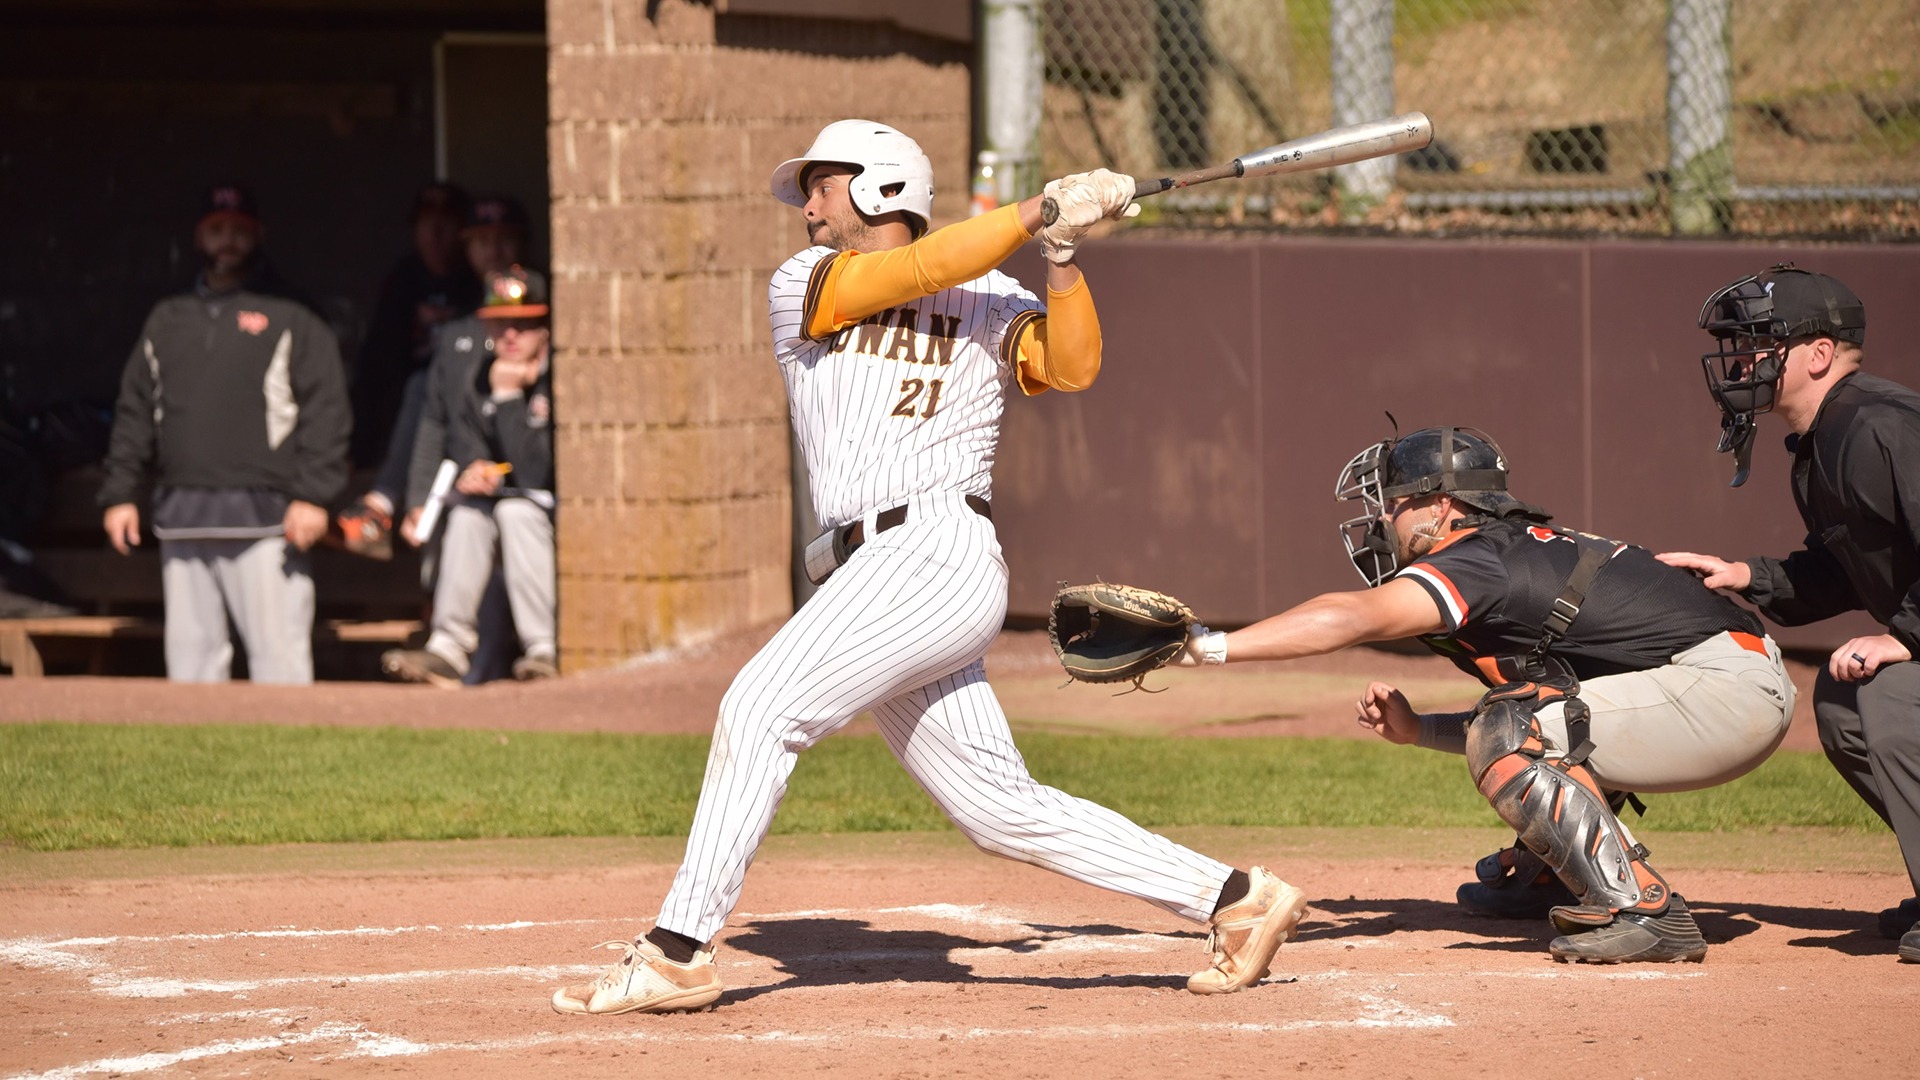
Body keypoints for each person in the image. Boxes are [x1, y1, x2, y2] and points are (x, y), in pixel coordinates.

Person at [548, 120, 1307, 1016]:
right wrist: (1036, 212)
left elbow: (1073, 366)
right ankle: (1236, 900)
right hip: (877, 570)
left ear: (877, 190)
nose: (809, 207)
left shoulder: (991, 294)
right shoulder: (808, 284)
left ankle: (677, 951)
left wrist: (1060, 257)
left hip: (932, 548)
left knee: (759, 708)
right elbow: (913, 275)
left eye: (823, 186)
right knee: (999, 808)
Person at [1172, 425, 1794, 964]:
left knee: (1511, 728)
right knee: (1520, 718)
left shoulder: (1476, 559)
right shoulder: (1502, 551)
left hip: (1722, 690)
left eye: (1397, 503)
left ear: (1442, 507)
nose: (1384, 519)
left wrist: (1207, 646)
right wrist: (1419, 731)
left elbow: (1351, 617)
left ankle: (1644, 910)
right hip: (1721, 683)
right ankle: (1553, 875)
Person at [1657, 265, 1920, 963]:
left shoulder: (1875, 427)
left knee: (1890, 689)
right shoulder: (1828, 437)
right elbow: (1840, 572)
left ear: (1819, 354)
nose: (1739, 363)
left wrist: (1908, 639)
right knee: (1843, 699)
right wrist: (1745, 576)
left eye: (1757, 345)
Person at [97, 184, 351, 684]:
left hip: (268, 518)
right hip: (183, 512)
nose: (228, 241)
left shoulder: (292, 313)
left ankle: (290, 762)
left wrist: (314, 496)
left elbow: (328, 411)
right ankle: (196, 763)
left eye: (239, 230)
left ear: (259, 235)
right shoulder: (166, 317)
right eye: (217, 230)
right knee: (192, 668)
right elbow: (135, 411)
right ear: (199, 236)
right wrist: (121, 493)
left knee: (280, 666)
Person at [380, 266, 556, 686]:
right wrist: (473, 469)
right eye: (501, 325)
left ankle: (544, 648)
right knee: (467, 515)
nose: (511, 335)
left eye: (524, 324)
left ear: (544, 330)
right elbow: (460, 435)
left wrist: (511, 395)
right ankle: (448, 647)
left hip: (552, 521)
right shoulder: (480, 373)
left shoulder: (557, 375)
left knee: (517, 512)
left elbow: (537, 472)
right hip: (498, 518)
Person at [335, 182, 481, 558]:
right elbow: (376, 369)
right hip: (413, 433)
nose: (436, 235)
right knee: (419, 385)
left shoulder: (478, 285)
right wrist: (360, 449)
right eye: (426, 224)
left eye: (446, 224)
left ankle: (382, 501)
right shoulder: (403, 282)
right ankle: (381, 506)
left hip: (474, 422)